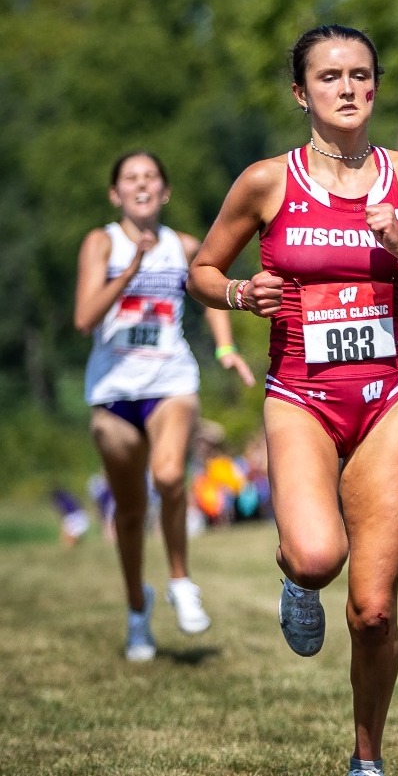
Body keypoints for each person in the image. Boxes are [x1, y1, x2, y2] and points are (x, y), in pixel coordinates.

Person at [188, 24, 398, 776]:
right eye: (329, 77)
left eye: (360, 75)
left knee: (375, 609)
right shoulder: (267, 181)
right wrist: (236, 291)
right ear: (301, 93)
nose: (347, 88)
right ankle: (294, 572)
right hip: (299, 394)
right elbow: (201, 266)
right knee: (320, 555)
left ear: (376, 86)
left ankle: (366, 759)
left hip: (383, 397)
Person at [76, 150, 257, 661]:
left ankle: (180, 580)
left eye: (151, 176)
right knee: (130, 513)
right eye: (130, 178)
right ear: (116, 194)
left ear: (165, 191)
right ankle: (138, 609)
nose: (141, 184)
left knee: (172, 476)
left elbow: (213, 289)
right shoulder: (100, 243)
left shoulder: (184, 247)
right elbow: (84, 319)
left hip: (171, 380)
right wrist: (130, 266)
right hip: (113, 394)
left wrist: (224, 350)